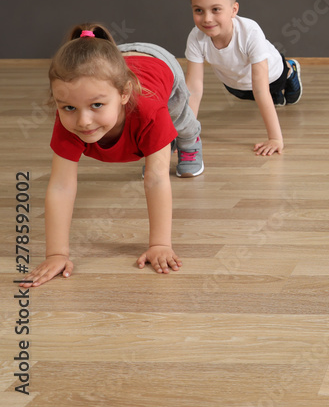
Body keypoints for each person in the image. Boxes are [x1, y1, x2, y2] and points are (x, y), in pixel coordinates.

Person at [21, 24, 202, 287]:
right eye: (69, 107)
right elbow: (61, 186)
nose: (83, 121)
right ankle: (159, 145)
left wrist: (160, 244)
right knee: (159, 137)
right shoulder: (67, 121)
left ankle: (188, 140)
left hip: (158, 63)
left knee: (180, 121)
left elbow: (156, 180)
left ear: (124, 94)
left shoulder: (150, 110)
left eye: (97, 105)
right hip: (114, 60)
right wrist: (56, 254)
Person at [185, 0, 302, 156]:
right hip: (236, 85)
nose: (207, 19)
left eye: (216, 10)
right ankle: (277, 97)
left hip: (272, 75)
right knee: (264, 99)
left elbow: (260, 88)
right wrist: (186, 136)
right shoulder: (196, 38)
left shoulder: (250, 32)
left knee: (275, 93)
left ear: (234, 10)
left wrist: (275, 138)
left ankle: (291, 70)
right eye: (199, 10)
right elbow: (194, 89)